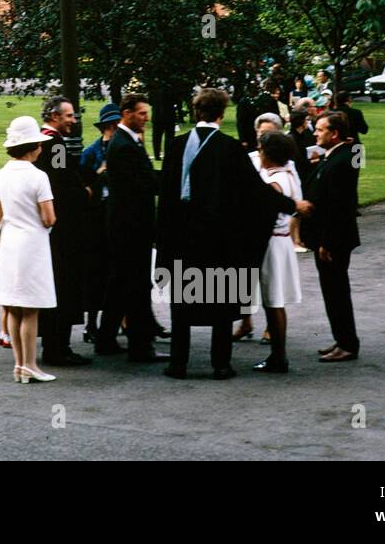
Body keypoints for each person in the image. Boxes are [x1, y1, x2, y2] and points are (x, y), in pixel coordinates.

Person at [155, 88, 306, 379]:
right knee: (220, 303)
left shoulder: (175, 146)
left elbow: (165, 196)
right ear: (222, 115)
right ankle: (220, 364)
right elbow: (256, 193)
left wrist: (163, 238)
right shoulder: (229, 148)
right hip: (218, 239)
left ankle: (179, 363)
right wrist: (292, 205)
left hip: (182, 238)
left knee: (183, 303)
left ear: (196, 111)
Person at [0, 116, 59, 384]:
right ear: (32, 147)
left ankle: (20, 364)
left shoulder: (0, 174)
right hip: (32, 244)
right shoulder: (39, 176)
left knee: (14, 307)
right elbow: (49, 218)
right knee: (30, 309)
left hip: (10, 243)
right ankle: (29, 364)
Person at [102, 94, 168, 362]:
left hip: (123, 225)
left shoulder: (125, 142)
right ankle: (141, 347)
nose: (146, 118)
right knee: (137, 286)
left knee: (119, 284)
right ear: (126, 113)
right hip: (131, 227)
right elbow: (145, 182)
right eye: (141, 113)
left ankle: (106, 339)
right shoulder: (125, 145)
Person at [299, 111, 362, 362]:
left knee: (336, 291)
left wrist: (327, 241)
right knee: (332, 291)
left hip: (333, 240)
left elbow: (338, 208)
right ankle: (342, 339)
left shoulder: (342, 161)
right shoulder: (332, 157)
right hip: (326, 237)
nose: (315, 133)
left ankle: (347, 343)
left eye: (320, 129)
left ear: (334, 133)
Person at [35, 96, 93, 368]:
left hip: (50, 227)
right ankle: (59, 347)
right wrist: (85, 191)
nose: (73, 120)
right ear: (55, 117)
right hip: (63, 228)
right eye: (69, 116)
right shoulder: (54, 144)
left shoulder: (39, 141)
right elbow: (61, 183)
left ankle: (54, 343)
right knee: (64, 285)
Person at [250, 130, 303, 372]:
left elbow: (263, 208)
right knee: (274, 301)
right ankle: (277, 354)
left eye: (261, 150)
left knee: (273, 301)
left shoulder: (276, 181)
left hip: (272, 242)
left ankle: (278, 356)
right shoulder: (286, 173)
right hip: (280, 240)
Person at [78, 103, 118, 348]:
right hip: (97, 218)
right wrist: (100, 173)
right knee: (96, 274)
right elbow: (83, 184)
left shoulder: (122, 148)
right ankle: (91, 324)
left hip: (114, 214)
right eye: (111, 126)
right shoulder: (92, 152)